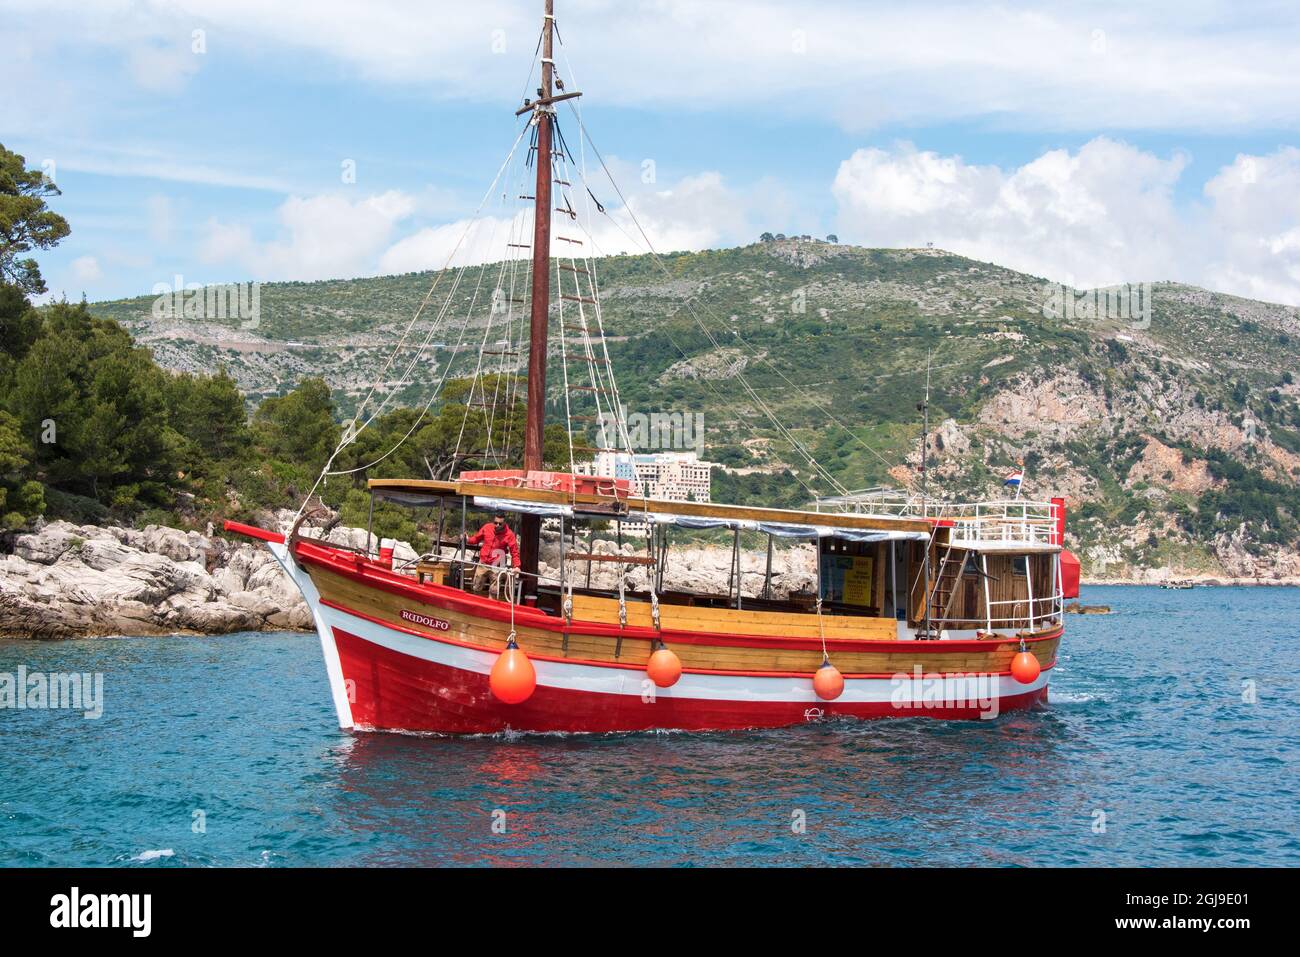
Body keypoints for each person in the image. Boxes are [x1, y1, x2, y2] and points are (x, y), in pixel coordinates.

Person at [466, 511, 521, 598]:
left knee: (494, 591)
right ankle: (476, 606)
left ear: (504, 522)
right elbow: (476, 539)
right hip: (483, 562)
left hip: (496, 565)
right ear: (493, 521)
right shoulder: (487, 527)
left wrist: (517, 566)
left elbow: (514, 551)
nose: (497, 525)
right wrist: (467, 539)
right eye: (495, 523)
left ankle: (490, 606)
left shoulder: (509, 534)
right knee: (476, 587)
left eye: (500, 523)